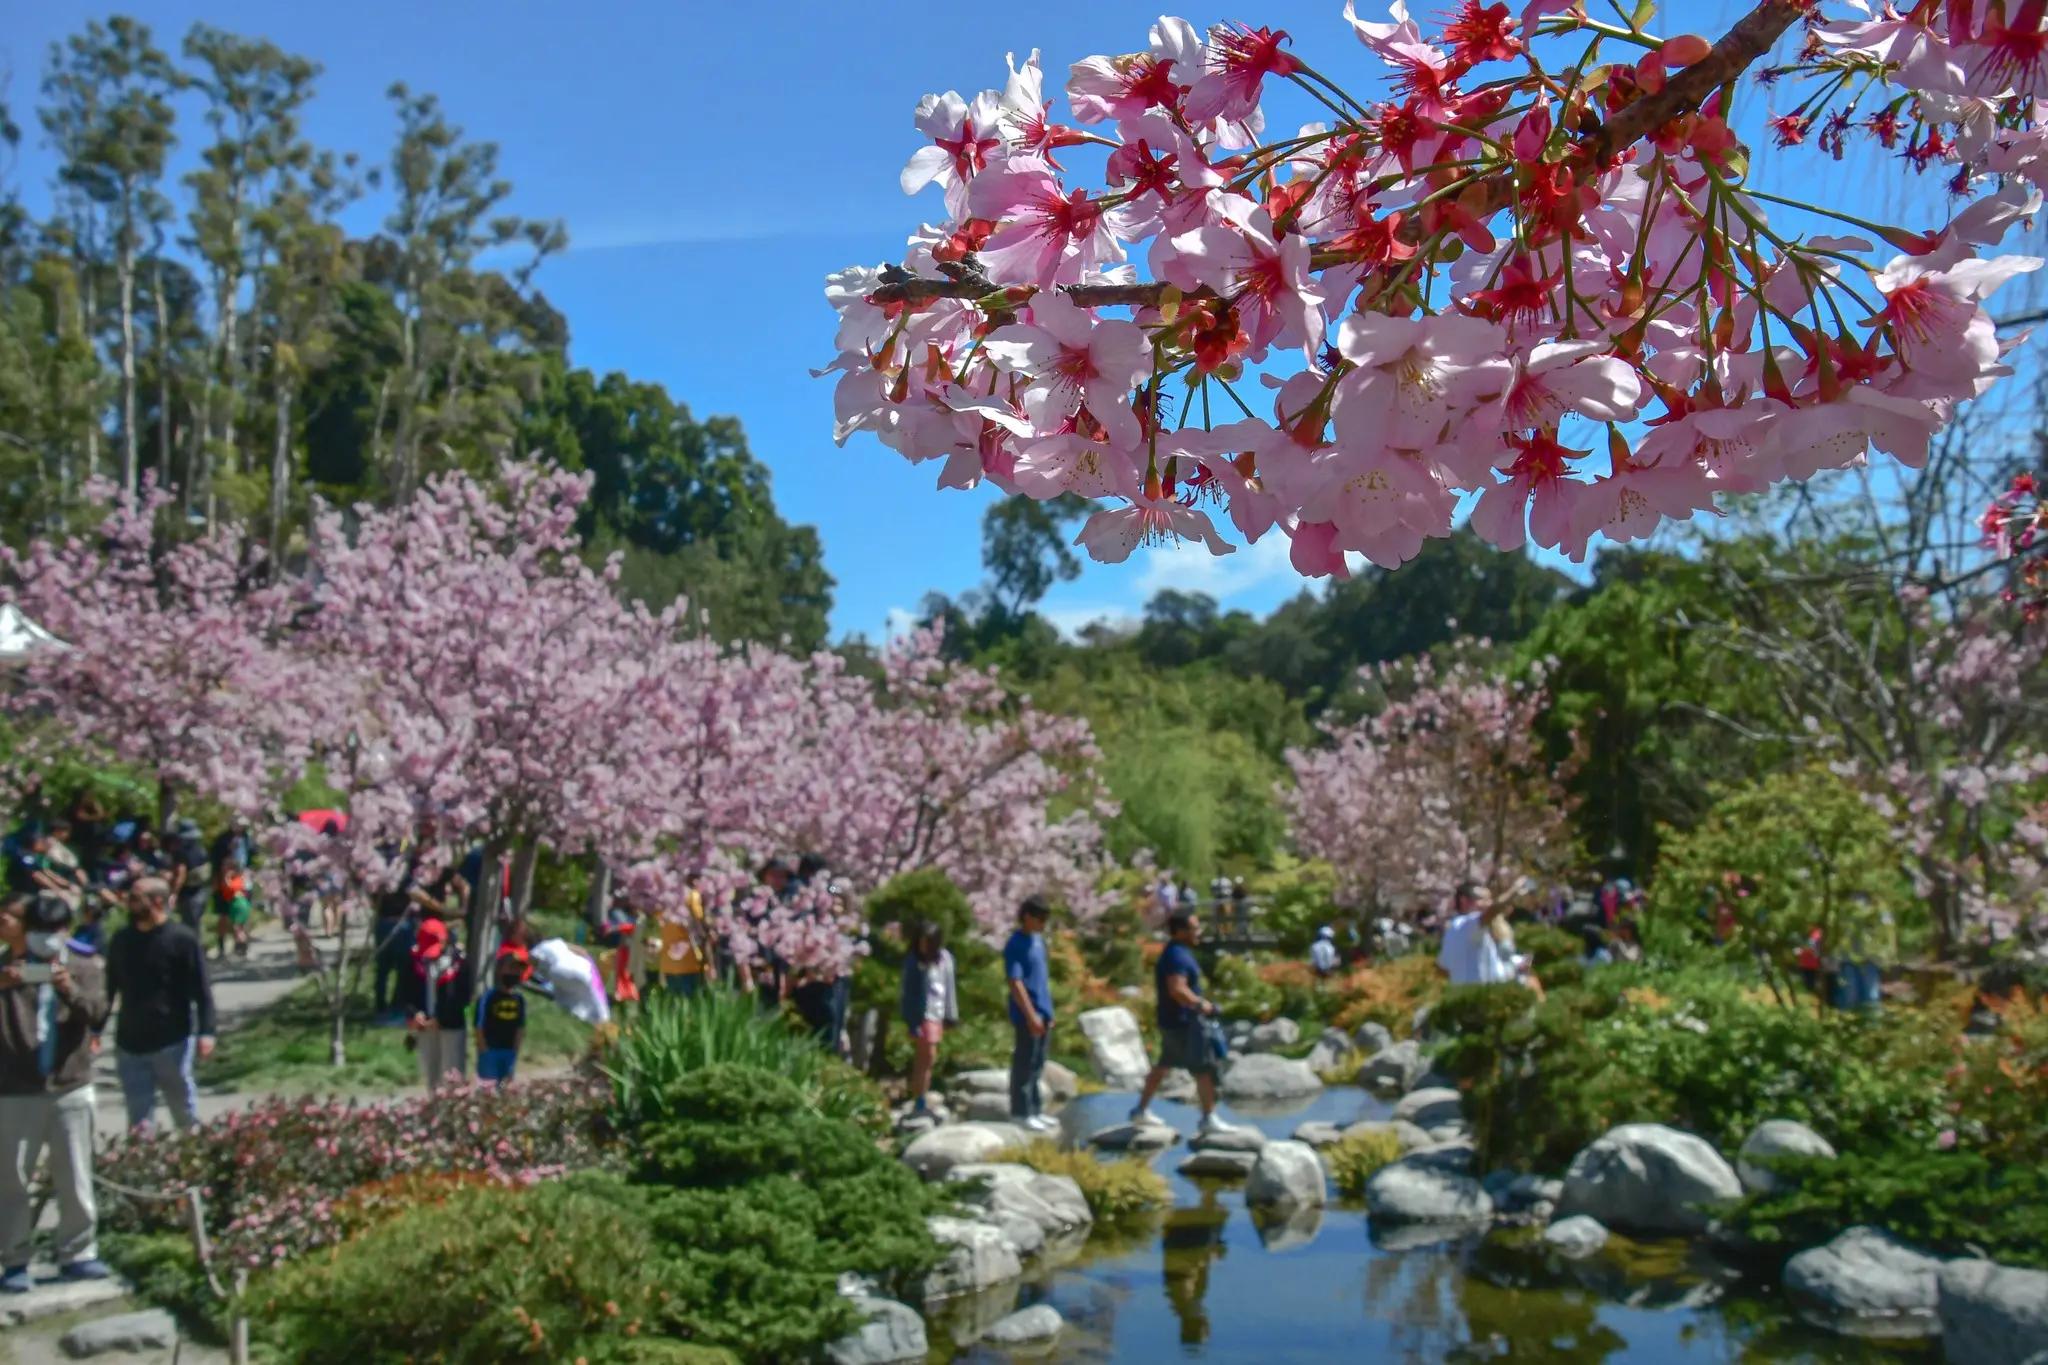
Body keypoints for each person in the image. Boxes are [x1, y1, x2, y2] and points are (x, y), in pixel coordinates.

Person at [0, 892, 112, 1292]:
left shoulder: (84, 965)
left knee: (75, 1174)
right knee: (12, 1179)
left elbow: (97, 1013)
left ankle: (79, 1253)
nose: (44, 938)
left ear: (65, 930)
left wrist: (68, 988)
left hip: (70, 1084)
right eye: (37, 930)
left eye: (53, 930)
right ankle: (14, 1260)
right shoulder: (7, 967)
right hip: (16, 1089)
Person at [104, 877, 216, 1132]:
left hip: (173, 1040)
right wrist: (96, 1028)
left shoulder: (182, 939)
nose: (128, 903)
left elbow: (202, 990)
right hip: (130, 1042)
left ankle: (193, 1150)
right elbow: (110, 987)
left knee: (183, 1112)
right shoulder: (122, 940)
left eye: (135, 898)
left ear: (157, 901)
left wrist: (207, 1032)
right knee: (139, 1121)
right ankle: (143, 1156)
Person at [1130, 911, 1232, 1137]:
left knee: (1163, 1064)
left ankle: (1140, 1110)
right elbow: (1177, 989)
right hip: (1184, 1022)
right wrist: (1201, 1004)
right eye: (1194, 928)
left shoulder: (1176, 952)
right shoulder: (1177, 956)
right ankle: (1208, 1118)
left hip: (1172, 1020)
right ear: (1180, 931)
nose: (1199, 932)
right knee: (1203, 1068)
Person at [1003, 896, 1059, 1133]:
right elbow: (1015, 982)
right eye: (1040, 919)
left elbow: (1041, 979)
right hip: (1027, 1013)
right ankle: (1020, 1112)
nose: (1043, 924)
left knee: (1038, 1063)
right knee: (1024, 1064)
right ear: (1027, 917)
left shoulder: (1038, 941)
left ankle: (1035, 1110)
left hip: (1042, 1011)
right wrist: (1030, 1015)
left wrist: (1048, 1012)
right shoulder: (1016, 943)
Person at [1437, 881, 1543, 997]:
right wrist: (1515, 889)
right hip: (1480, 997)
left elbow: (1443, 968)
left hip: (1469, 996)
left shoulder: (1453, 930)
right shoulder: (1466, 925)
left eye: (1489, 900)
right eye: (1483, 900)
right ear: (1464, 901)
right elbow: (1494, 910)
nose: (1488, 904)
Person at [898, 921, 957, 1118]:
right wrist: (911, 1022)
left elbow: (949, 987)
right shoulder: (914, 962)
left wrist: (951, 1014)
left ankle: (920, 1096)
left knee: (927, 1060)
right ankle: (919, 1099)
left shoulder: (945, 959)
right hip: (923, 1015)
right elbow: (908, 993)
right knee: (927, 1056)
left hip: (938, 1013)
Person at [408, 917, 472, 1093]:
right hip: (425, 1027)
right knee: (432, 1077)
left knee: (452, 1076)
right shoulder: (414, 961)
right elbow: (407, 993)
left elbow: (463, 997)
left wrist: (440, 1018)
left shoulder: (459, 962)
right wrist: (415, 1014)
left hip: (451, 1026)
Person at [472, 955, 527, 1087]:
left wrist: (515, 1051)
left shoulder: (519, 999)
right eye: (511, 968)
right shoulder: (488, 996)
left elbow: (520, 1027)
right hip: (490, 1051)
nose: (515, 973)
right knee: (488, 1091)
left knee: (505, 1090)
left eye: (518, 970)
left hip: (509, 1052)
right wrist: (484, 1049)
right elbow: (478, 1025)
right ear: (500, 970)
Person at [656, 874, 711, 998]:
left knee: (675, 1001)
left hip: (668, 962)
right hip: (690, 961)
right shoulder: (692, 896)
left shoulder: (661, 899)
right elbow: (700, 925)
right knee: (692, 1000)